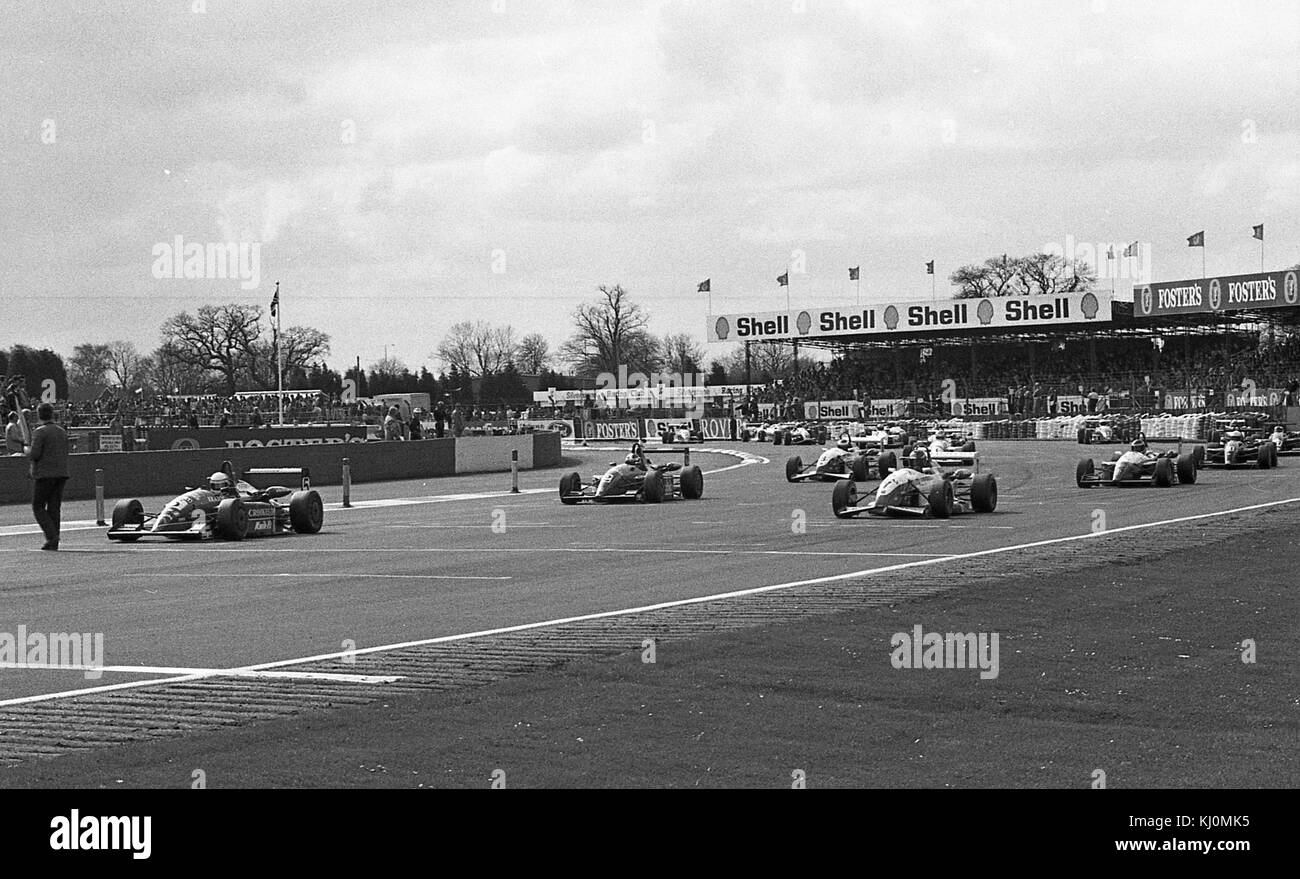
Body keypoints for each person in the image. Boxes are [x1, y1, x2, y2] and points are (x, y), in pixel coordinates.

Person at [28, 403, 70, 551]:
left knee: (38, 506)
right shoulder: (61, 431)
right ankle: (54, 540)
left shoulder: (40, 432)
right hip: (61, 473)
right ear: (52, 414)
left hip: (45, 474)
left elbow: (35, 454)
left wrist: (27, 450)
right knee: (54, 508)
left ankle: (52, 536)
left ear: (39, 415)